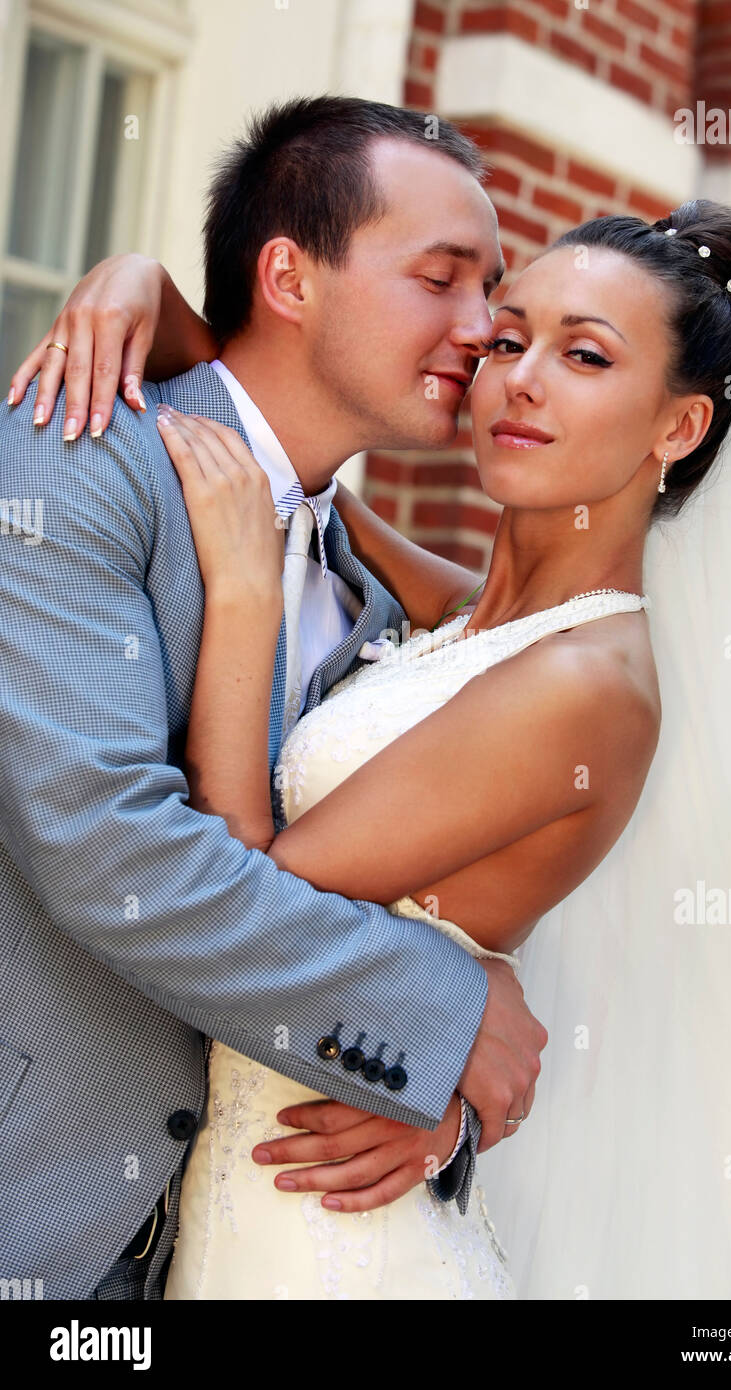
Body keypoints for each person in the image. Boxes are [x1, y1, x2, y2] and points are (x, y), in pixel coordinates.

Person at [13, 174, 731, 1298]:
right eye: (508, 338)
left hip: (337, 1247)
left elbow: (247, 885)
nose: (516, 380)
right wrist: (138, 287)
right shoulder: (467, 611)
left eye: (586, 357)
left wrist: (246, 599)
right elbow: (291, 474)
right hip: (247, 1196)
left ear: (679, 424)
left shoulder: (582, 682)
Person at [0, 97, 548, 1303]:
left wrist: (432, 1113)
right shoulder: (73, 459)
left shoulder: (378, 595)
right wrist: (439, 1014)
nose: (481, 330)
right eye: (440, 279)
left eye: (490, 289)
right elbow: (103, 845)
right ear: (291, 278)